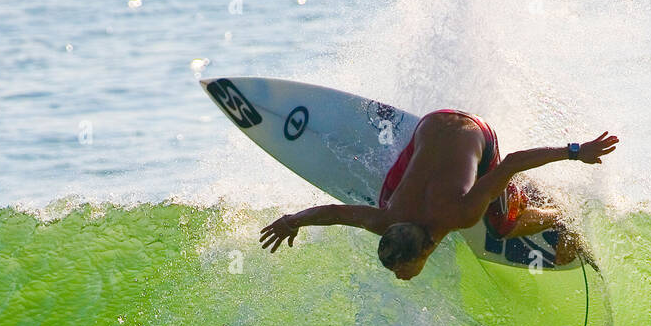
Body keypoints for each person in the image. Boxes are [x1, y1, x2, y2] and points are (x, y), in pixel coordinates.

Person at [259, 109, 619, 278]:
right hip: (430, 121)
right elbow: (336, 214)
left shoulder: (461, 214)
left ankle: (558, 213)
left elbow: (511, 162)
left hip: (476, 131)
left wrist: (576, 151)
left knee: (502, 226)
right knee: (388, 198)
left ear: (426, 250)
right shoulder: (385, 218)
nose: (399, 276)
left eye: (402, 269)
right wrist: (292, 221)